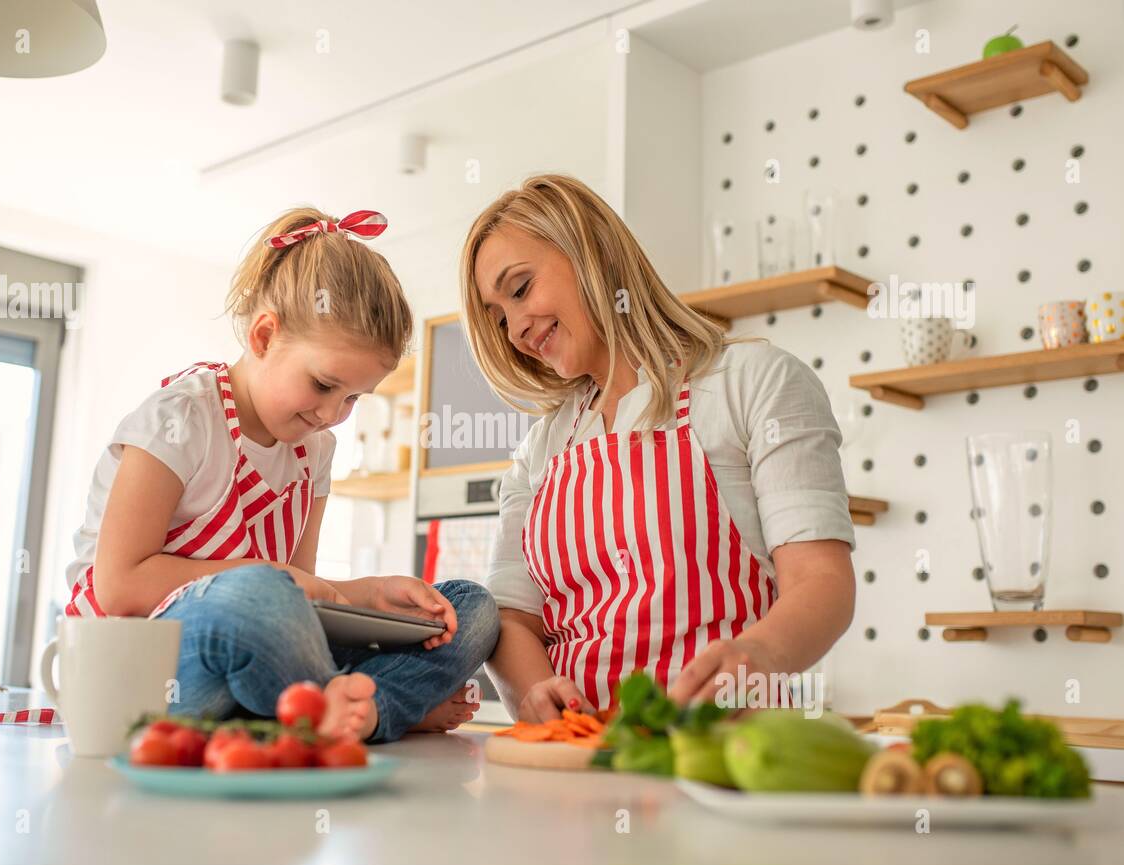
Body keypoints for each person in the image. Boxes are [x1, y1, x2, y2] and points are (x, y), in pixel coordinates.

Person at [64, 208, 498, 741]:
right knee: (256, 598)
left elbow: (301, 600)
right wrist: (263, 578)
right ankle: (375, 704)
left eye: (354, 398)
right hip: (150, 668)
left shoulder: (316, 449)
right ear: (265, 336)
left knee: (471, 609)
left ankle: (364, 709)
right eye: (322, 385)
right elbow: (119, 586)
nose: (333, 414)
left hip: (264, 653)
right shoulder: (180, 419)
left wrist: (368, 594)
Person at [459, 174, 856, 719]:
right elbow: (513, 618)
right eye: (499, 316)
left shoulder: (754, 381)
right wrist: (535, 696)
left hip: (722, 745)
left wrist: (761, 654)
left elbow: (822, 582)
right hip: (580, 758)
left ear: (593, 253)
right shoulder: (541, 445)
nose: (515, 330)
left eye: (521, 288)